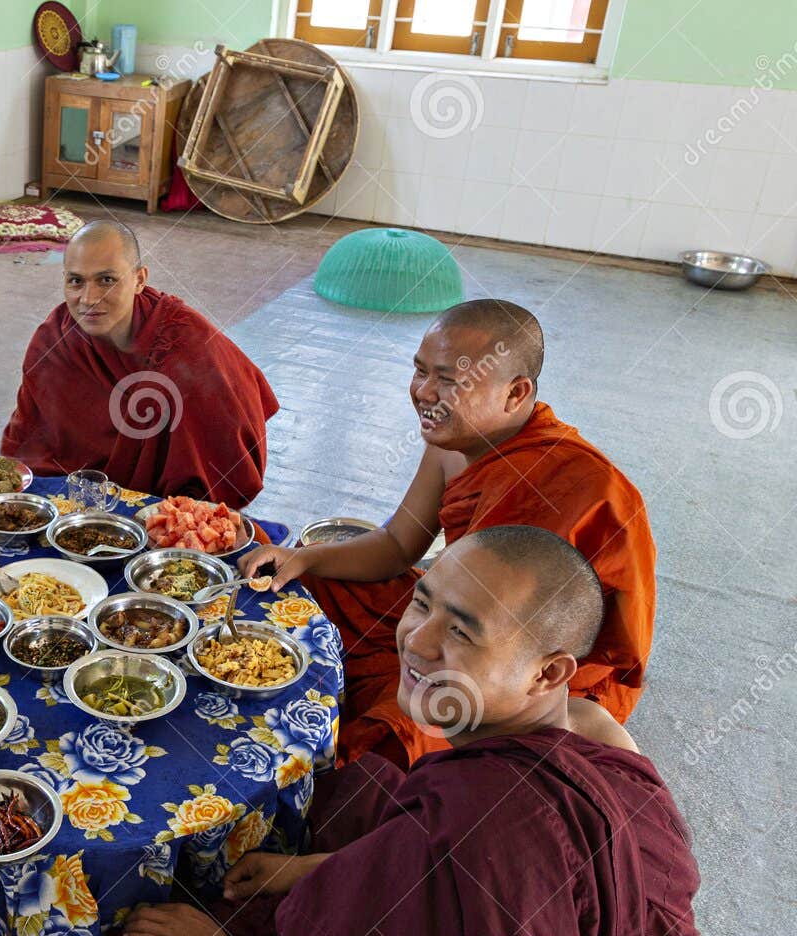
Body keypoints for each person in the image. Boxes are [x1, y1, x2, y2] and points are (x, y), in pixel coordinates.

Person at [97, 527, 704, 936]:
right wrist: (298, 870)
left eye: (463, 631)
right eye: (423, 603)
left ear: (547, 672)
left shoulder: (481, 832)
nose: (417, 641)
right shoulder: (597, 731)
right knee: (362, 789)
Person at [240, 299, 655, 772]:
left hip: (520, 669)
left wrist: (422, 655)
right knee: (295, 584)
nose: (424, 392)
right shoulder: (453, 440)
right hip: (458, 616)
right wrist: (307, 561)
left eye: (451, 381)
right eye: (420, 371)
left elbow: (512, 646)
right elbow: (399, 544)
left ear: (515, 393)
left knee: (390, 745)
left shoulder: (572, 484)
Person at [0, 219, 279, 508]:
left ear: (140, 279)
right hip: (73, 504)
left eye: (107, 280)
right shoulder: (54, 342)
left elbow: (229, 458)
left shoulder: (187, 348)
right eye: (76, 281)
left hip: (168, 514)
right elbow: (27, 443)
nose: (89, 298)